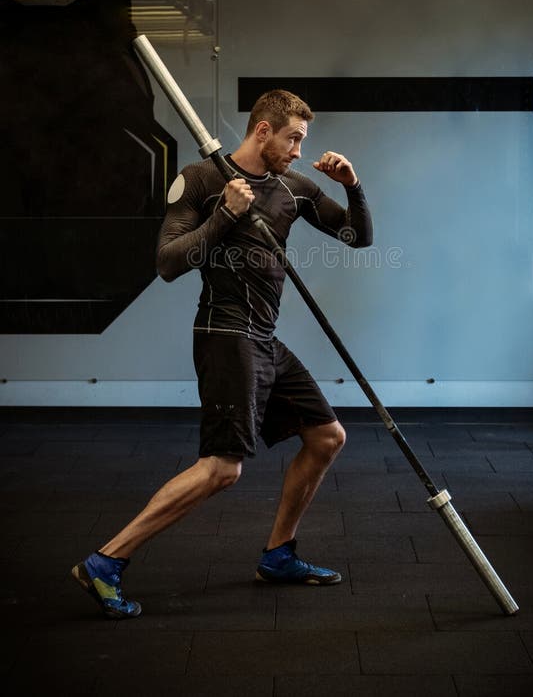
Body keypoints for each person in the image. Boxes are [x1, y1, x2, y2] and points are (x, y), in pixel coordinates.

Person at [72, 89, 373, 619]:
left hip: (264, 338)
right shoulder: (201, 180)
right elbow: (167, 263)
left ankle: (278, 555)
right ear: (263, 130)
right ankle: (105, 561)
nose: (299, 151)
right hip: (225, 335)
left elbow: (358, 237)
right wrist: (226, 215)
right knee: (220, 470)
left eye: (302, 141)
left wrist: (353, 186)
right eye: (293, 139)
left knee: (327, 437)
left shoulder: (294, 187)